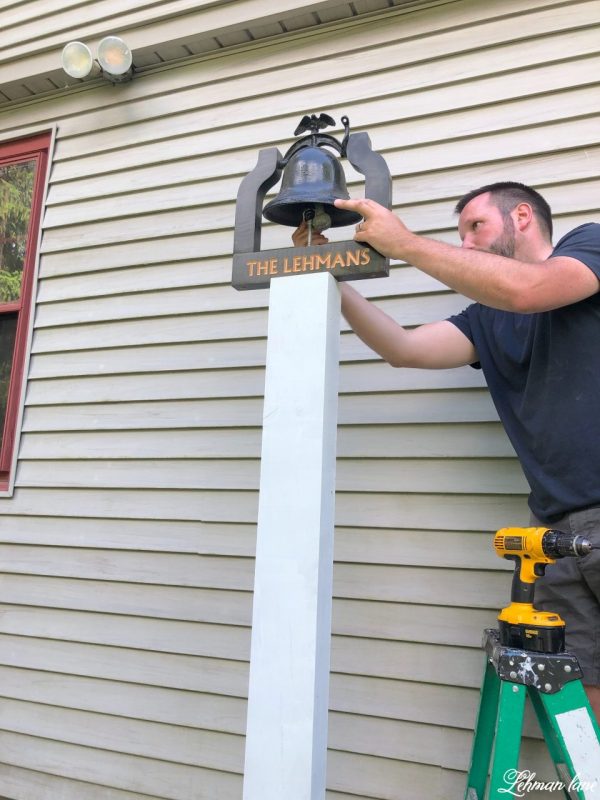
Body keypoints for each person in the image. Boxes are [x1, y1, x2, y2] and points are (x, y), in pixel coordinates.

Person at [292, 182, 600, 721]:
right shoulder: (484, 318)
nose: (467, 243)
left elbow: (533, 290)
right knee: (585, 691)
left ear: (522, 216)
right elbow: (404, 350)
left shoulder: (589, 246)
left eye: (476, 227)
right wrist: (329, 276)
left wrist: (405, 243)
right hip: (553, 531)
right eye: (461, 234)